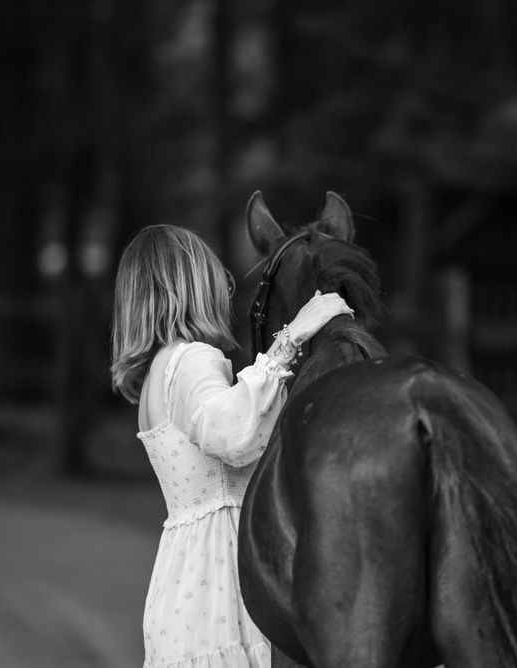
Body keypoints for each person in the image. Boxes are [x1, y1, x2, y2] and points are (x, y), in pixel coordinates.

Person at [111, 224, 352, 668]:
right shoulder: (189, 360)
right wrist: (291, 337)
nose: (225, 284)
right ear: (187, 285)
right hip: (218, 572)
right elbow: (231, 433)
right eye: (213, 275)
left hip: (184, 575)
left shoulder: (155, 376)